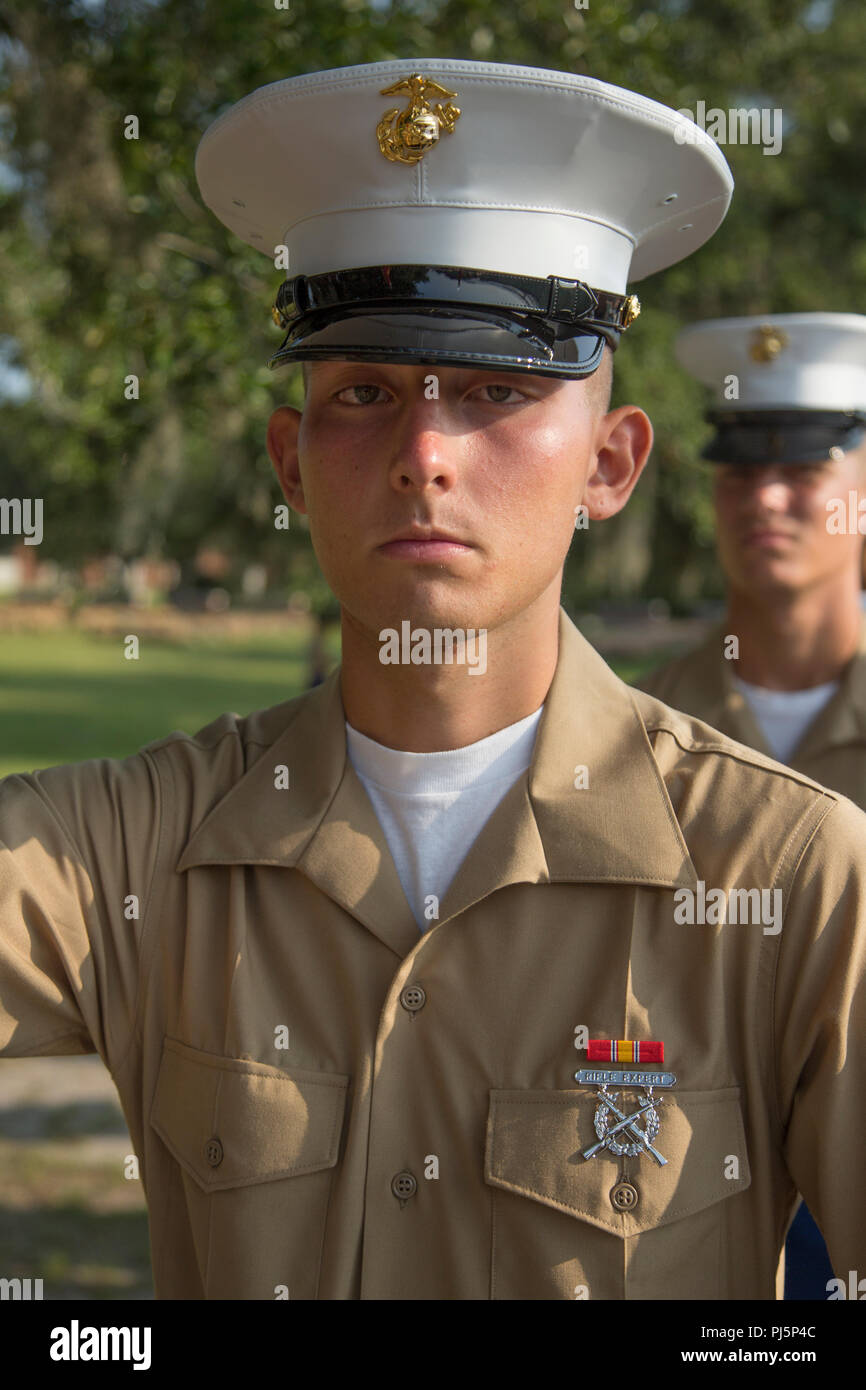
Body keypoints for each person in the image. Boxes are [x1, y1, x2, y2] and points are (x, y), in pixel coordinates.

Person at [1, 60, 864, 1301]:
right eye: (363, 392)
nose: (422, 454)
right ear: (290, 465)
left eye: (495, 391)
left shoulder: (787, 875)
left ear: (610, 467)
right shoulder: (134, 856)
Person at [637, 312, 866, 1298]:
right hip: (670, 1185)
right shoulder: (625, 735)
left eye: (803, 468)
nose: (762, 498)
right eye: (735, 470)